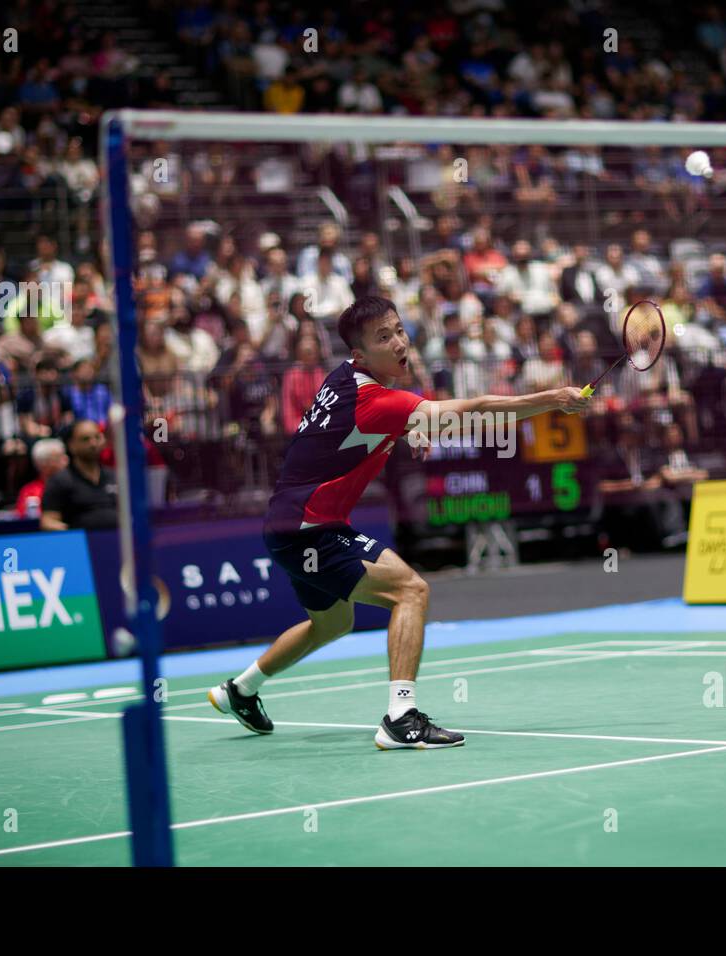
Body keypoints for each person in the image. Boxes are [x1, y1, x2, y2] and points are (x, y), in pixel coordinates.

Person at [209, 296, 590, 750]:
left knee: (331, 624)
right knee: (411, 590)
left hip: (289, 525)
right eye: (383, 338)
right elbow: (477, 410)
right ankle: (400, 716)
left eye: (399, 330)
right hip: (311, 529)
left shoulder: (343, 380)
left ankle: (241, 689)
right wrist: (552, 399)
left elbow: (340, 437)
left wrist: (408, 430)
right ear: (361, 354)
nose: (399, 343)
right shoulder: (378, 400)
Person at [40, 418, 118, 530]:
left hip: (118, 542)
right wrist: (74, 535)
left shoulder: (114, 476)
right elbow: (48, 521)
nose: (93, 443)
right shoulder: (60, 481)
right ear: (71, 445)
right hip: (80, 544)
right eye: (85, 439)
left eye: (97, 437)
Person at [17, 437, 67, 517]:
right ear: (43, 464)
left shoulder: (75, 485)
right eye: (59, 458)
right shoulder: (29, 492)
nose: (66, 461)